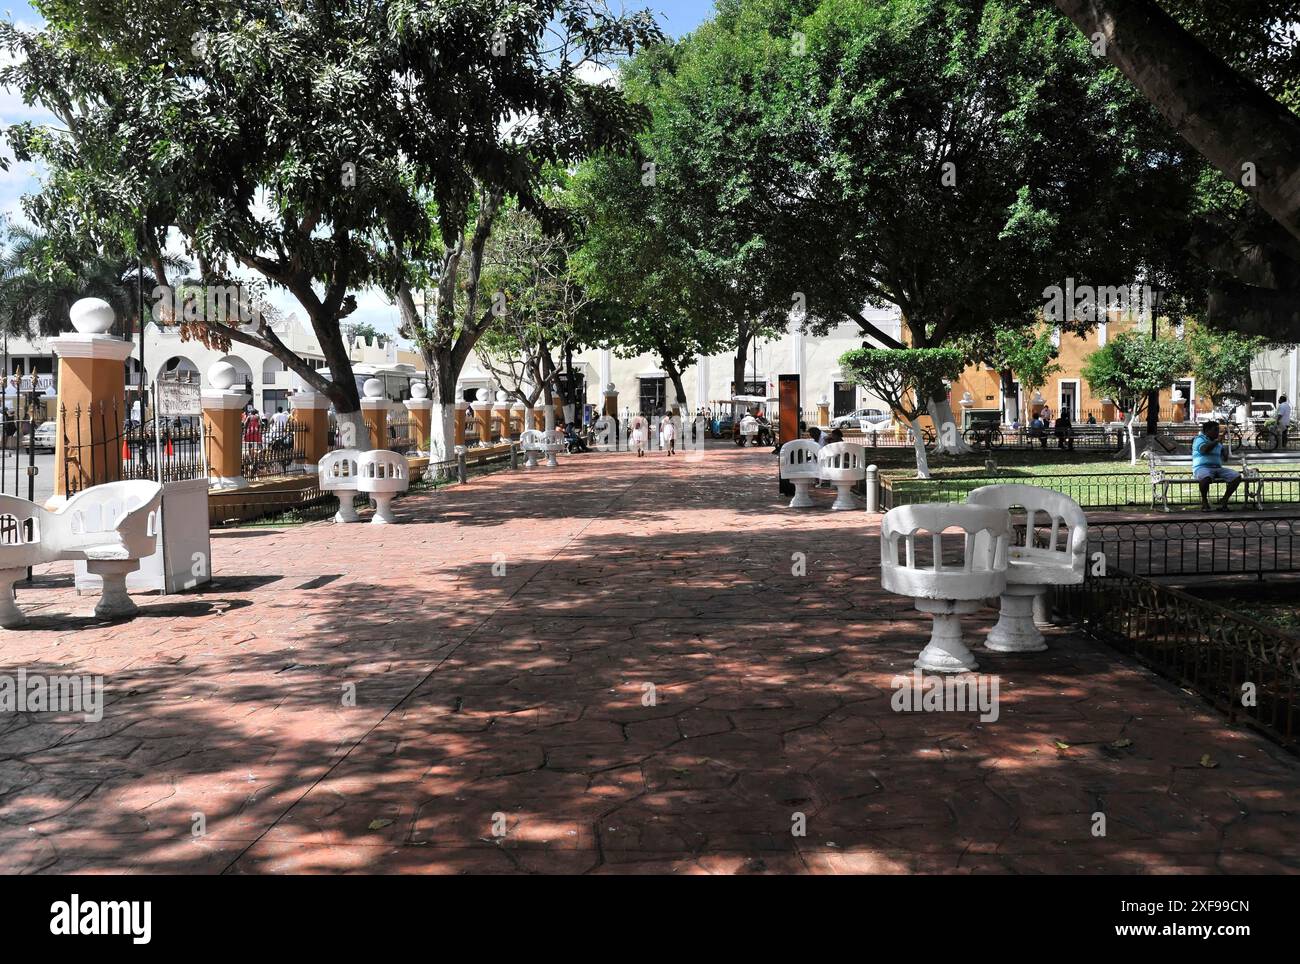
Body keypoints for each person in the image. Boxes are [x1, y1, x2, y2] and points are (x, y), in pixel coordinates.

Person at [1193, 420, 1242, 511]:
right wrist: (1217, 442)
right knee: (1205, 478)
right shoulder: (1200, 439)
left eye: (1218, 430)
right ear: (1207, 430)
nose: (1217, 432)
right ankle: (1204, 502)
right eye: (1215, 430)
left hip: (1217, 468)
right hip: (1202, 468)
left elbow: (1225, 459)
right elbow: (1204, 449)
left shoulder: (1218, 443)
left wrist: (1224, 450)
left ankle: (1224, 500)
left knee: (1236, 476)